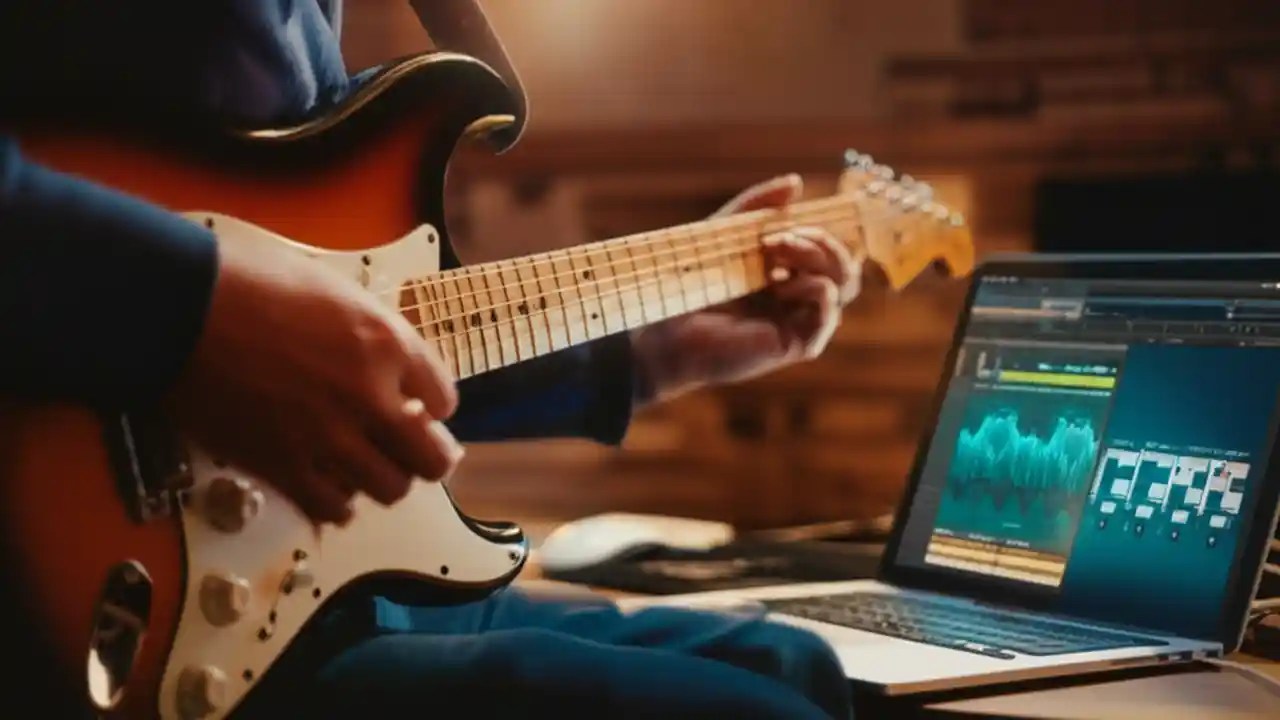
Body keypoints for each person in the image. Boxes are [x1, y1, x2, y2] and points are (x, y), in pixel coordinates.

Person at [0, 2, 862, 718]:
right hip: (110, 614)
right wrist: (191, 312)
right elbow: (244, 326)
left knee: (793, 667)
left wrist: (652, 349)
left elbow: (336, 328)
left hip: (289, 577)